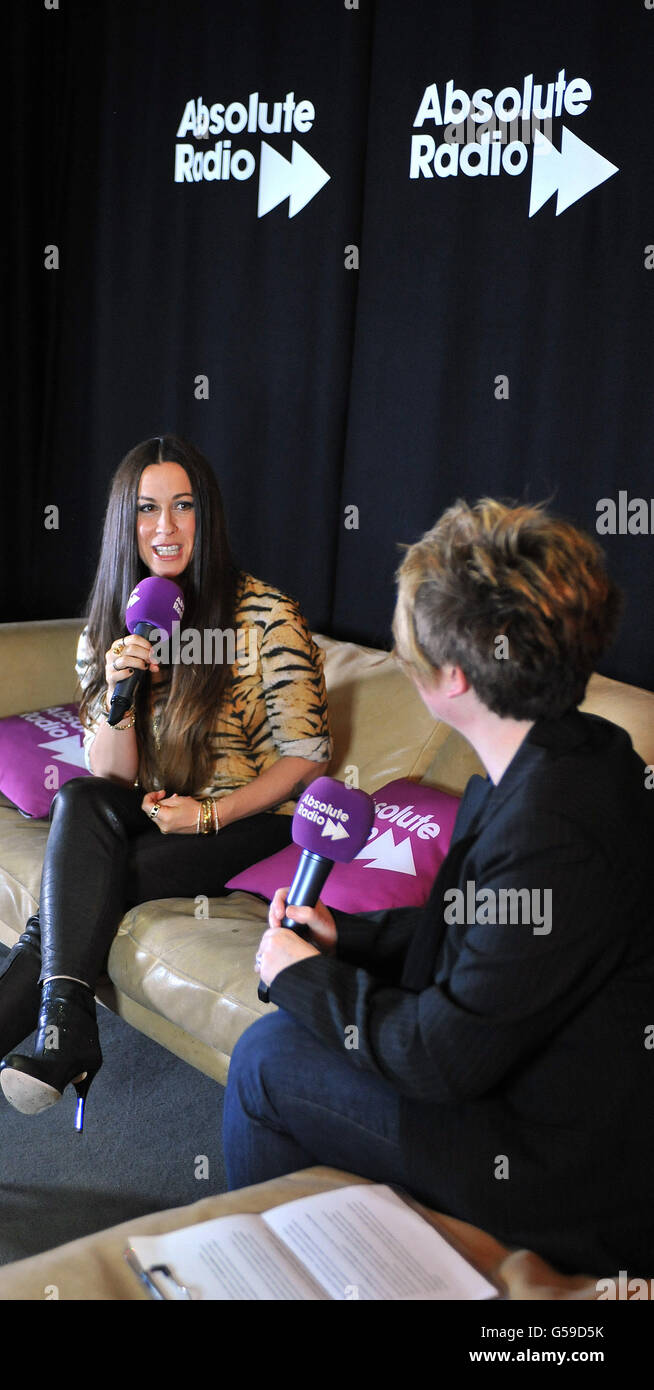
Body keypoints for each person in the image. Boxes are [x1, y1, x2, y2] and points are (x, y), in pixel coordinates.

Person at [0, 434, 332, 1168]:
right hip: (156, 808)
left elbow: (307, 758)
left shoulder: (266, 616)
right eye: (147, 509)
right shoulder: (118, 621)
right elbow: (111, 777)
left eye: (184, 507)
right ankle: (60, 1027)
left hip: (254, 821)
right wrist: (122, 693)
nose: (165, 527)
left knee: (91, 893)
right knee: (83, 802)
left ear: (208, 516)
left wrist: (211, 814)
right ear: (126, 521)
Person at [226, 498, 654, 1276]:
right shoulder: (580, 750)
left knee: (266, 1060)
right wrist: (345, 938)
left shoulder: (551, 831)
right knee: (286, 1039)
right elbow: (487, 936)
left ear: (454, 676)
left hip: (565, 1172)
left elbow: (441, 1059)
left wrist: (303, 978)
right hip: (540, 1089)